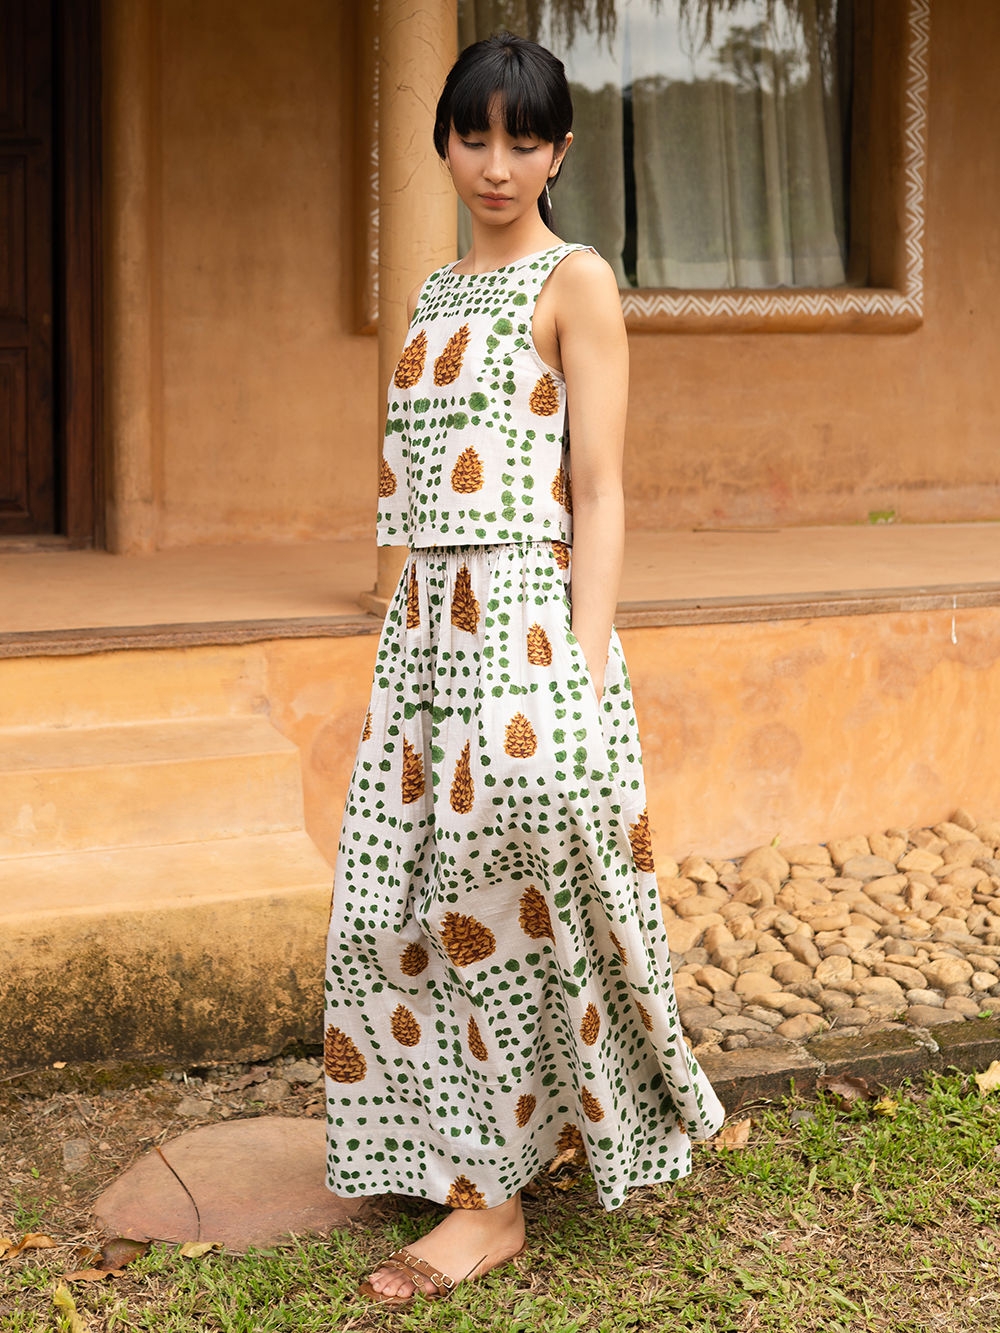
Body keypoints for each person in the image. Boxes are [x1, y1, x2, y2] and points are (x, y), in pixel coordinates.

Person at [323, 31, 726, 1310]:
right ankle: (463, 1144)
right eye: (473, 134)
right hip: (426, 634)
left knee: (504, 894)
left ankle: (490, 1202)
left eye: (523, 138)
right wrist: (397, 624)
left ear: (556, 151)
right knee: (394, 900)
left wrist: (581, 669)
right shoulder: (437, 292)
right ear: (443, 140)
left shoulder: (577, 280)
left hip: (527, 625)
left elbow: (599, 490)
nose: (496, 163)